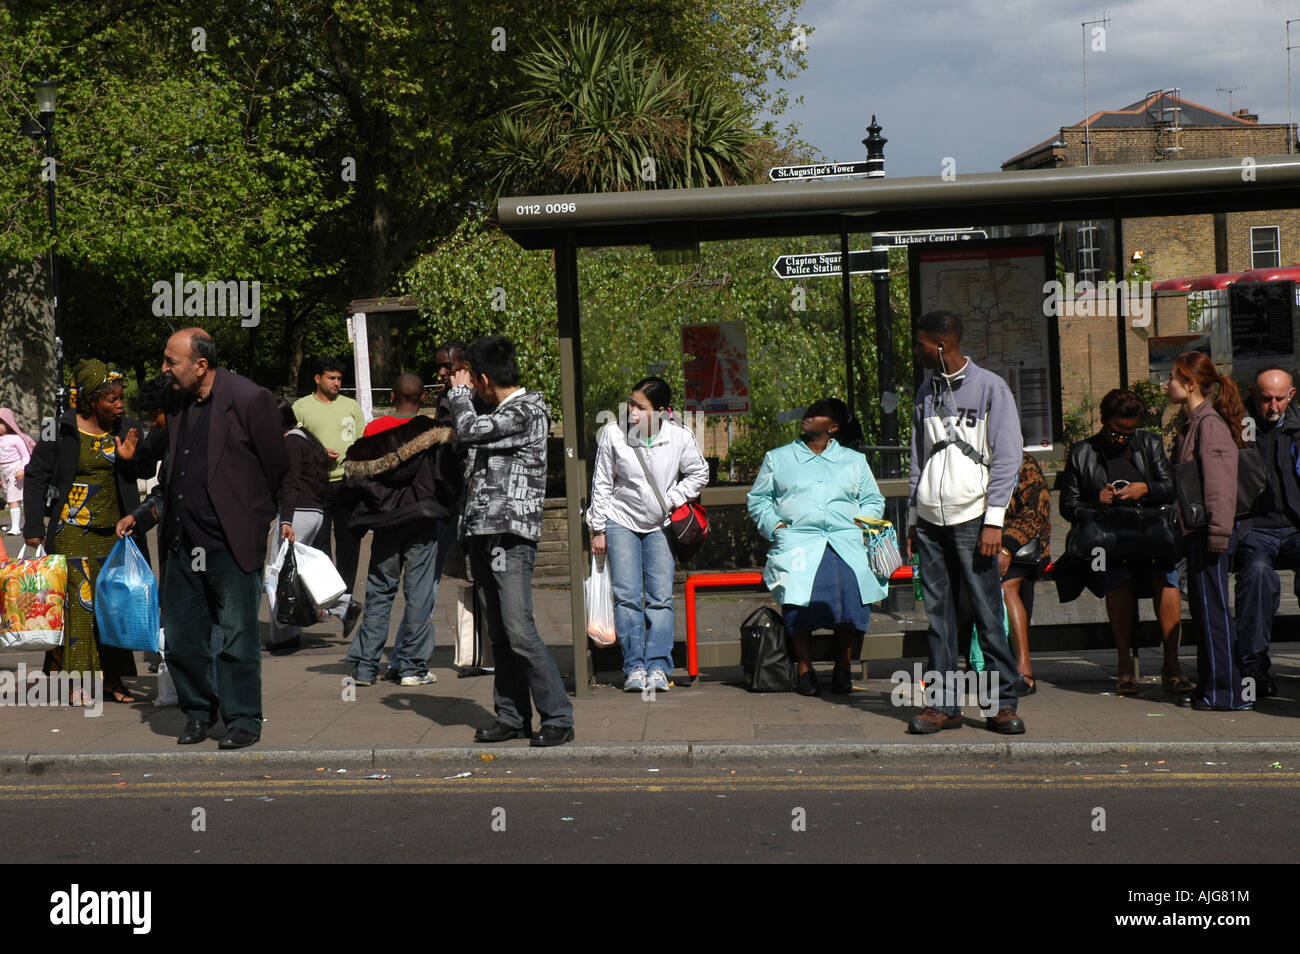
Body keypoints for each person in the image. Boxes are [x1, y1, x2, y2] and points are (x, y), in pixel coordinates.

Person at [155, 328, 288, 749]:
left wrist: (255, 518)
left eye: (170, 361)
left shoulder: (250, 399)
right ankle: (198, 710)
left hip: (229, 542)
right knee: (180, 637)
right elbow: (173, 465)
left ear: (201, 365)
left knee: (236, 637)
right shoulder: (176, 400)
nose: (164, 369)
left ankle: (244, 718)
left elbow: (278, 467)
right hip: (182, 540)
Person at [448, 335, 575, 746]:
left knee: (520, 629)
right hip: (483, 534)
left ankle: (558, 717)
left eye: (473, 381)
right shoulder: (502, 411)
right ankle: (511, 715)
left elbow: (467, 430)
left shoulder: (528, 410)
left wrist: (458, 394)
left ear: (484, 379)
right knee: (499, 633)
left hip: (511, 537)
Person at [905, 310, 1024, 734]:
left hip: (975, 519)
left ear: (941, 345)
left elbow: (1009, 457)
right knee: (939, 617)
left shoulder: (992, 388)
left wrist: (995, 521)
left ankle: (1001, 705)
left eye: (920, 344)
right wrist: (913, 517)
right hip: (932, 522)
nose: (915, 351)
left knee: (988, 614)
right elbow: (918, 459)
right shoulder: (925, 392)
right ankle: (943, 707)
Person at [22, 360, 154, 706]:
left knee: (113, 605)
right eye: (112, 399)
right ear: (92, 400)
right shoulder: (60, 428)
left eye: (120, 398)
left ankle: (112, 680)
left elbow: (147, 467)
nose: (119, 404)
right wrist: (33, 526)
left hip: (114, 532)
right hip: (71, 532)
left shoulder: (125, 427)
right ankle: (77, 683)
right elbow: (36, 475)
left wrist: (128, 457)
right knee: (80, 607)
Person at [748, 398, 886, 695]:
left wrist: (863, 523)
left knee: (851, 594)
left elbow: (874, 500)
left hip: (845, 540)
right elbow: (758, 500)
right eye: (807, 413)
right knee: (798, 597)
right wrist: (775, 527)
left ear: (833, 428)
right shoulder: (778, 458)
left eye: (817, 415)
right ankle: (804, 667)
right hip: (798, 542)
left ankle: (843, 665)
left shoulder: (854, 460)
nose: (807, 418)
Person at [1056, 388, 1189, 696]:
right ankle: (1124, 665)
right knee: (1117, 580)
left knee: (1167, 577)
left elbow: (1170, 488)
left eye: (1130, 432)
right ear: (1104, 422)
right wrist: (1097, 501)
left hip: (1150, 535)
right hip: (1108, 538)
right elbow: (1068, 506)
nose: (1123, 439)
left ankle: (1172, 664)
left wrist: (1146, 489)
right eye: (1118, 432)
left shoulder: (1149, 444)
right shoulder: (1082, 452)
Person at [588, 376, 708, 693]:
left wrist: (672, 499)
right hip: (621, 521)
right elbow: (601, 484)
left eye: (640, 407)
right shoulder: (613, 434)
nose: (632, 411)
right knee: (627, 598)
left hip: (661, 524)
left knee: (660, 599)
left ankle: (658, 666)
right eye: (630, 403)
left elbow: (700, 473)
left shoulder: (680, 436)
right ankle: (633, 668)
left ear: (662, 411)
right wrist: (597, 527)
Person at [343, 373, 458, 686]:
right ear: (423, 398)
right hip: (421, 520)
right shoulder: (432, 432)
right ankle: (411, 667)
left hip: (386, 523)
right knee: (419, 595)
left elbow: (359, 479)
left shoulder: (374, 430)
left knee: (379, 591)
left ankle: (366, 667)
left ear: (392, 397)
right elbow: (444, 477)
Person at [1168, 351, 1251, 711]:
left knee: (1213, 611)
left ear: (1189, 384)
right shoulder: (1194, 423)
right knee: (1205, 611)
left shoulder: (1209, 425)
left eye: (1172, 378)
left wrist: (1218, 533)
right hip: (1198, 532)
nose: (1165, 384)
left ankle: (1225, 693)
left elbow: (1219, 484)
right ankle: (1211, 686)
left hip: (1209, 534)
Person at [1232, 366, 1300, 699]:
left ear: (1291, 395)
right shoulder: (1237, 427)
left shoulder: (1298, 429)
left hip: (1296, 526)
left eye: (1278, 399)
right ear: (1253, 395)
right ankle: (1253, 665)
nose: (1272, 406)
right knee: (1257, 575)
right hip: (1257, 528)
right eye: (1265, 399)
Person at [292, 356, 366, 633]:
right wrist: (318, 453)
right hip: (315, 487)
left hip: (348, 485)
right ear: (317, 379)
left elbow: (363, 441)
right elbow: (292, 442)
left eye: (338, 379)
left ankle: (344, 602)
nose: (336, 384)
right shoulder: (301, 407)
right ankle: (328, 600)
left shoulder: (351, 406)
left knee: (349, 546)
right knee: (319, 550)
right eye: (330, 378)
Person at [268, 400, 348, 651]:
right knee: (297, 572)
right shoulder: (306, 439)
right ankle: (339, 606)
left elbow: (291, 481)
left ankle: (285, 635)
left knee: (277, 573)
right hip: (313, 511)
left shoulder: (291, 442)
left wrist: (287, 519)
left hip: (297, 513)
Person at [999, 453, 1052, 694]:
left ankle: (1024, 669)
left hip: (1021, 545)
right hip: (984, 544)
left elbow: (1036, 511)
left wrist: (1007, 545)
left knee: (1008, 586)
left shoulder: (1023, 463)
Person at [0, 408, 35, 535]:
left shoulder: (16, 439)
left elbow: (25, 455)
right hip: (3, 471)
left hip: (14, 471)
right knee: (7, 497)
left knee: (13, 498)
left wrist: (22, 469)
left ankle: (16, 527)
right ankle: (14, 523)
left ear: (8, 424)